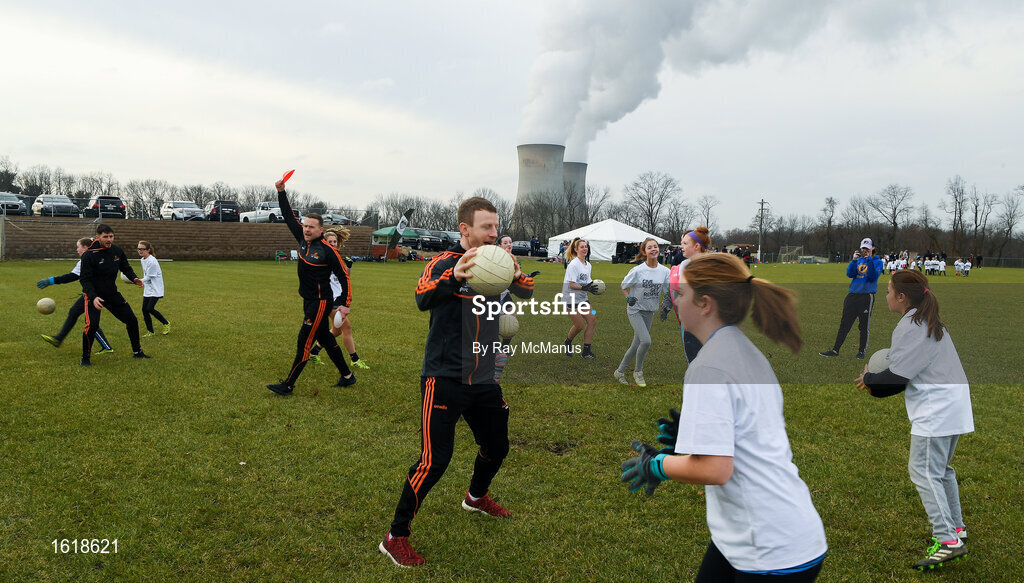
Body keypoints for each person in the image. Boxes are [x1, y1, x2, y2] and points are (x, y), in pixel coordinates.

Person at [620, 253, 827, 582]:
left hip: (769, 548)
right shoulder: (742, 349)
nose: (675, 303)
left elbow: (716, 468)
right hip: (764, 532)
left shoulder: (709, 366)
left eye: (683, 294)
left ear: (705, 304)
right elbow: (748, 432)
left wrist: (657, 464)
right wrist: (690, 441)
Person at [379, 197, 534, 567]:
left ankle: (476, 497)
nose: (494, 233)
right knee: (434, 461)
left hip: (483, 377)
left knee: (497, 445)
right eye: (486, 227)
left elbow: (527, 291)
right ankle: (395, 536)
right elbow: (421, 297)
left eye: (496, 227)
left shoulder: (500, 260)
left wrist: (514, 275)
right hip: (445, 376)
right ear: (465, 229)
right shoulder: (444, 262)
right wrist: (455, 277)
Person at [855, 270, 973, 570]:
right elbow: (902, 370)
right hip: (954, 404)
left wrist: (871, 379)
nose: (886, 295)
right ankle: (957, 529)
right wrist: (875, 379)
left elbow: (897, 379)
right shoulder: (927, 321)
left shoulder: (910, 326)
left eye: (889, 291)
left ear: (902, 297)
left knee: (923, 472)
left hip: (937, 410)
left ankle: (948, 540)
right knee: (941, 471)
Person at [265, 181, 355, 395]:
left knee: (304, 342)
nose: (306, 229)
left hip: (320, 303)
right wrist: (281, 192)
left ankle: (288, 385)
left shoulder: (327, 251)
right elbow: (288, 216)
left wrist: (344, 304)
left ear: (320, 230)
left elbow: (344, 277)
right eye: (305, 225)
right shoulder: (303, 239)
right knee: (325, 338)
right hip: (308, 300)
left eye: (311, 226)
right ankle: (347, 376)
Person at [79, 224, 149, 366]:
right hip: (94, 297)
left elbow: (125, 267)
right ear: (98, 237)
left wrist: (134, 278)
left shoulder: (117, 251)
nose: (109, 239)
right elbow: (85, 280)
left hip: (112, 294)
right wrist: (93, 297)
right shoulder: (89, 255)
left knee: (131, 320)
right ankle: (85, 358)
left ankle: (137, 352)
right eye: (105, 237)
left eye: (111, 236)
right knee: (92, 326)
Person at [38, 237, 113, 354]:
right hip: (92, 293)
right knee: (75, 312)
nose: (77, 250)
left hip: (95, 295)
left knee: (90, 321)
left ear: (86, 248)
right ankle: (59, 338)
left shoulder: (87, 259)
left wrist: (51, 281)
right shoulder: (89, 258)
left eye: (78, 247)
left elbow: (72, 276)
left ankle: (106, 347)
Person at [614, 237, 670, 387]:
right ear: (644, 252)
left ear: (659, 249)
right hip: (635, 310)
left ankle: (619, 372)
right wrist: (628, 298)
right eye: (649, 247)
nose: (653, 249)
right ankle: (638, 372)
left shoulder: (665, 271)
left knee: (636, 344)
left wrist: (666, 307)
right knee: (646, 341)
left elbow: (668, 292)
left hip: (650, 311)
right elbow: (623, 286)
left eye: (655, 246)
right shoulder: (638, 270)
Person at [309, 228, 368, 369]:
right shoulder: (322, 258)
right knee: (346, 327)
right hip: (330, 299)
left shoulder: (336, 258)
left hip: (339, 298)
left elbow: (344, 278)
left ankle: (314, 352)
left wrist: (348, 266)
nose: (333, 244)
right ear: (324, 242)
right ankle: (355, 359)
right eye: (330, 241)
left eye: (335, 241)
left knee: (336, 330)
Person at [820, 237, 884, 359]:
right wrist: (854, 261)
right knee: (844, 324)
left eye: (867, 248)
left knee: (863, 326)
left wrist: (869, 260)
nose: (865, 250)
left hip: (866, 296)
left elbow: (872, 276)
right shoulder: (858, 260)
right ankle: (835, 350)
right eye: (863, 248)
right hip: (852, 295)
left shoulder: (877, 262)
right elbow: (850, 274)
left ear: (873, 248)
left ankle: (861, 352)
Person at [670, 226, 712, 362]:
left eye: (685, 243)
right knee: (692, 358)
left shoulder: (710, 264)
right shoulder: (683, 265)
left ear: (697, 246)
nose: (681, 246)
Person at [561, 237, 598, 359]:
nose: (584, 249)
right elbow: (572, 284)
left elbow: (588, 282)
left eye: (586, 246)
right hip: (570, 299)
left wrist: (595, 287)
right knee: (579, 325)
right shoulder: (573, 265)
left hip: (583, 299)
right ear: (576, 249)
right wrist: (584, 288)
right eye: (582, 247)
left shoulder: (588, 265)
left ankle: (586, 351)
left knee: (592, 319)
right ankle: (567, 342)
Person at [493, 235, 518, 382]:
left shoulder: (513, 259)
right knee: (494, 324)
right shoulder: (495, 258)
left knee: (512, 321)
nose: (509, 244)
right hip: (494, 296)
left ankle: (504, 347)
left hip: (505, 296)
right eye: (505, 242)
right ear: (499, 246)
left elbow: (514, 281)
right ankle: (495, 350)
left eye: (510, 242)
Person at [137, 240, 170, 337]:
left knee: (150, 308)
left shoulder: (152, 261)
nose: (140, 251)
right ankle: (150, 331)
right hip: (148, 288)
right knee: (144, 310)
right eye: (138, 249)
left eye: (142, 249)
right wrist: (138, 280)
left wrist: (139, 280)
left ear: (148, 250)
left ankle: (166, 323)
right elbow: (146, 275)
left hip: (156, 288)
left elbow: (149, 276)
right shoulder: (143, 260)